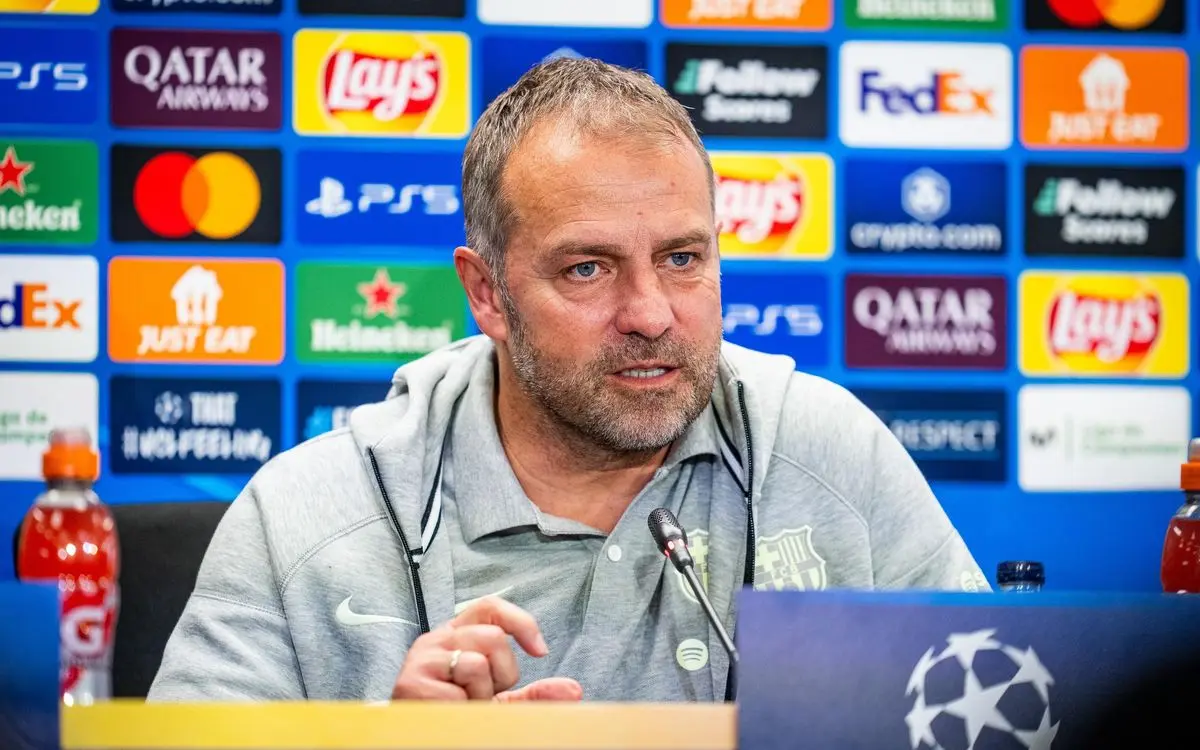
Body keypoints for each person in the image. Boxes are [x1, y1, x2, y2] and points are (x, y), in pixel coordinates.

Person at [148, 58, 989, 704]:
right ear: (487, 293)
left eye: (682, 258)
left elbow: (1002, 708)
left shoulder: (827, 452)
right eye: (588, 269)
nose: (650, 313)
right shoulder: (305, 518)